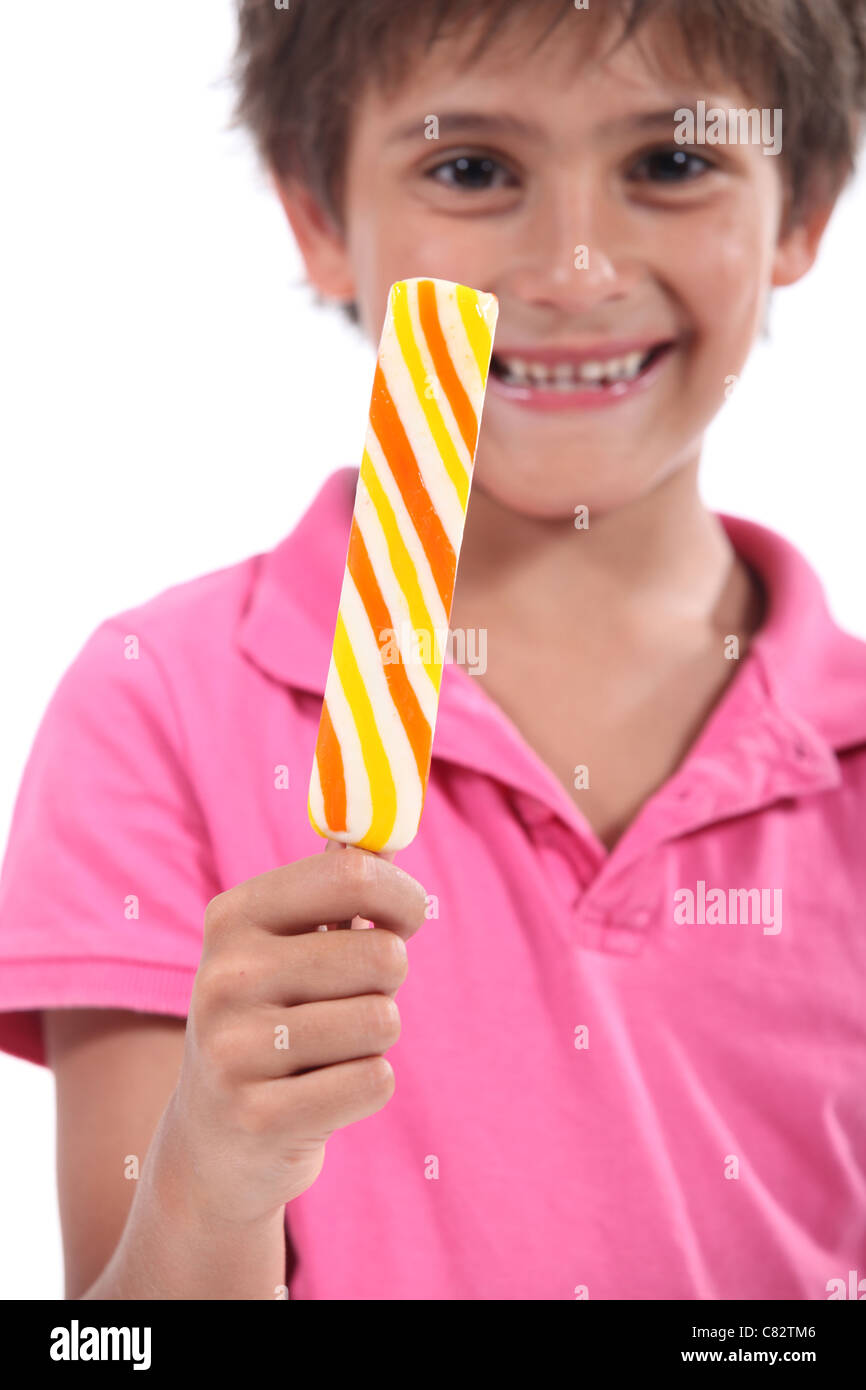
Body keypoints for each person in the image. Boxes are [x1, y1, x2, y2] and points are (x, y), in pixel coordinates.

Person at [1, 0, 865, 1300]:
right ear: (316, 214)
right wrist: (210, 1173)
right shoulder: (163, 706)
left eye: (672, 160)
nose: (573, 270)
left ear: (803, 207)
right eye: (470, 169)